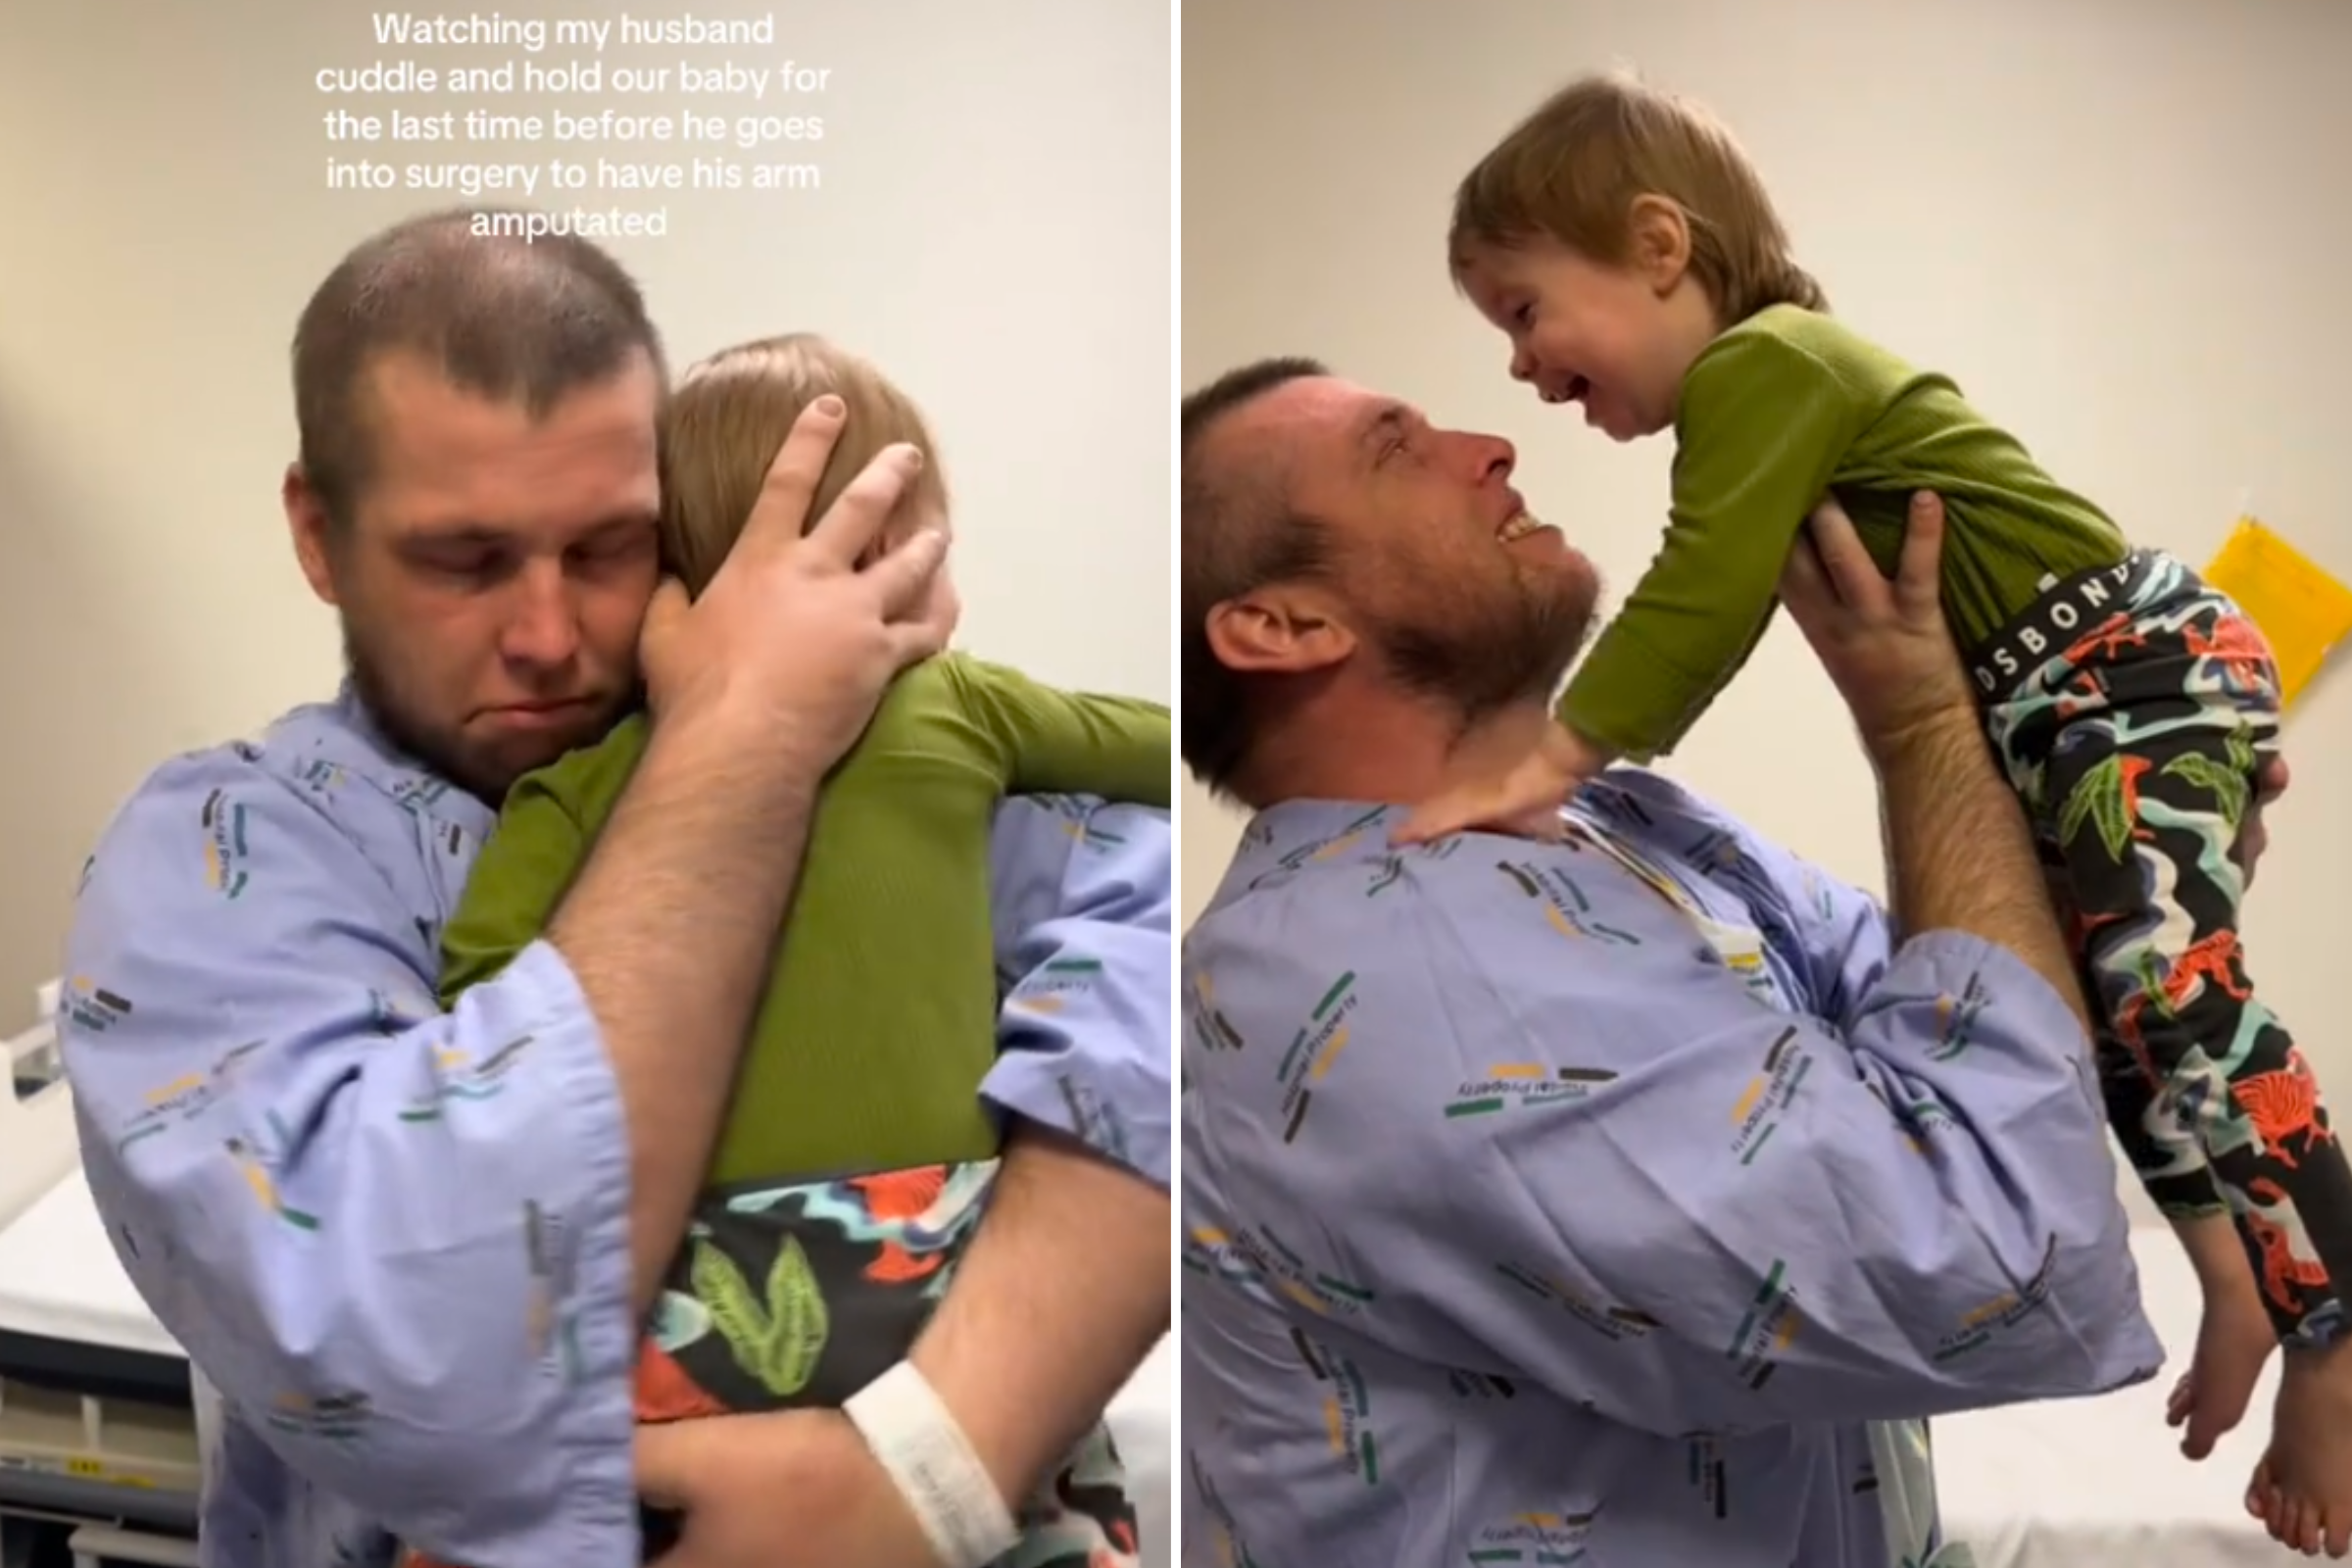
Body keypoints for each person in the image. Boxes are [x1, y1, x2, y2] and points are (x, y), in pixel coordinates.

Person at [56, 210, 1172, 1568]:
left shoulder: (913, 762)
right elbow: (413, 1332)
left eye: (607, 549)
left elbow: (1177, 1011)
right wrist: (741, 738)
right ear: (318, 533)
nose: (548, 635)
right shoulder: (219, 854)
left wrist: (927, 1473)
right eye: (462, 561)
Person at [1396, 70, 2352, 1545]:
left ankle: (2336, 1336)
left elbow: (1700, 594)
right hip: (2060, 705)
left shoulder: (1761, 365)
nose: (1522, 369)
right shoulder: (1776, 391)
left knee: (2174, 984)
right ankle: (2229, 1275)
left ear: (1660, 246)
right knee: (2094, 1012)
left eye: (1525, 311)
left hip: (2126, 669)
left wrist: (1545, 755)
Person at [1174, 357, 2291, 1565]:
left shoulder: (1635, 828)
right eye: (1396, 449)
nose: (1489, 443)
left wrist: (2118, 856)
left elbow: (1964, 1033)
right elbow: (1997, 1250)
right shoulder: (1392, 977)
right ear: (1282, 625)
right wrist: (1922, 726)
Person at [412, 331, 1169, 1568]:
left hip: (696, 1287)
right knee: (1029, 1507)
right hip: (942, 1265)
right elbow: (1151, 747)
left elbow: (483, 1017)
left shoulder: (575, 790)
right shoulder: (960, 705)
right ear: (892, 549)